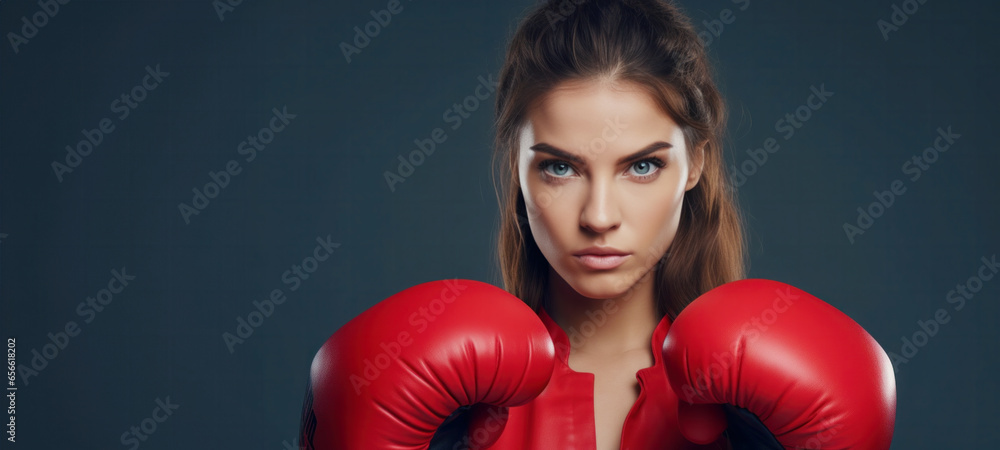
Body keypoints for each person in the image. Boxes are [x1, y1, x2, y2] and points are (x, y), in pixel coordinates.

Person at [297, 1, 896, 449]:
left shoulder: (762, 405)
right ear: (518, 168)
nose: (599, 216)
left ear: (697, 166)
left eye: (642, 165)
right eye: (560, 166)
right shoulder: (449, 398)